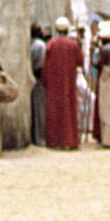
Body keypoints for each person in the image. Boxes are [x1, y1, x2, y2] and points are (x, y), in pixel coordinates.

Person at [43, 17, 82, 150]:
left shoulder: (51, 44)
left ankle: (55, 141)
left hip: (54, 84)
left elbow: (45, 65)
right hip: (68, 82)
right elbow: (80, 62)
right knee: (68, 109)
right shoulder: (73, 45)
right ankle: (69, 140)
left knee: (54, 111)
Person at [29, 24, 47, 147]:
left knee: (37, 109)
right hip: (38, 78)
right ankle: (39, 138)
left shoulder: (34, 45)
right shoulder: (40, 45)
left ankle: (38, 137)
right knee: (39, 109)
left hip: (36, 78)